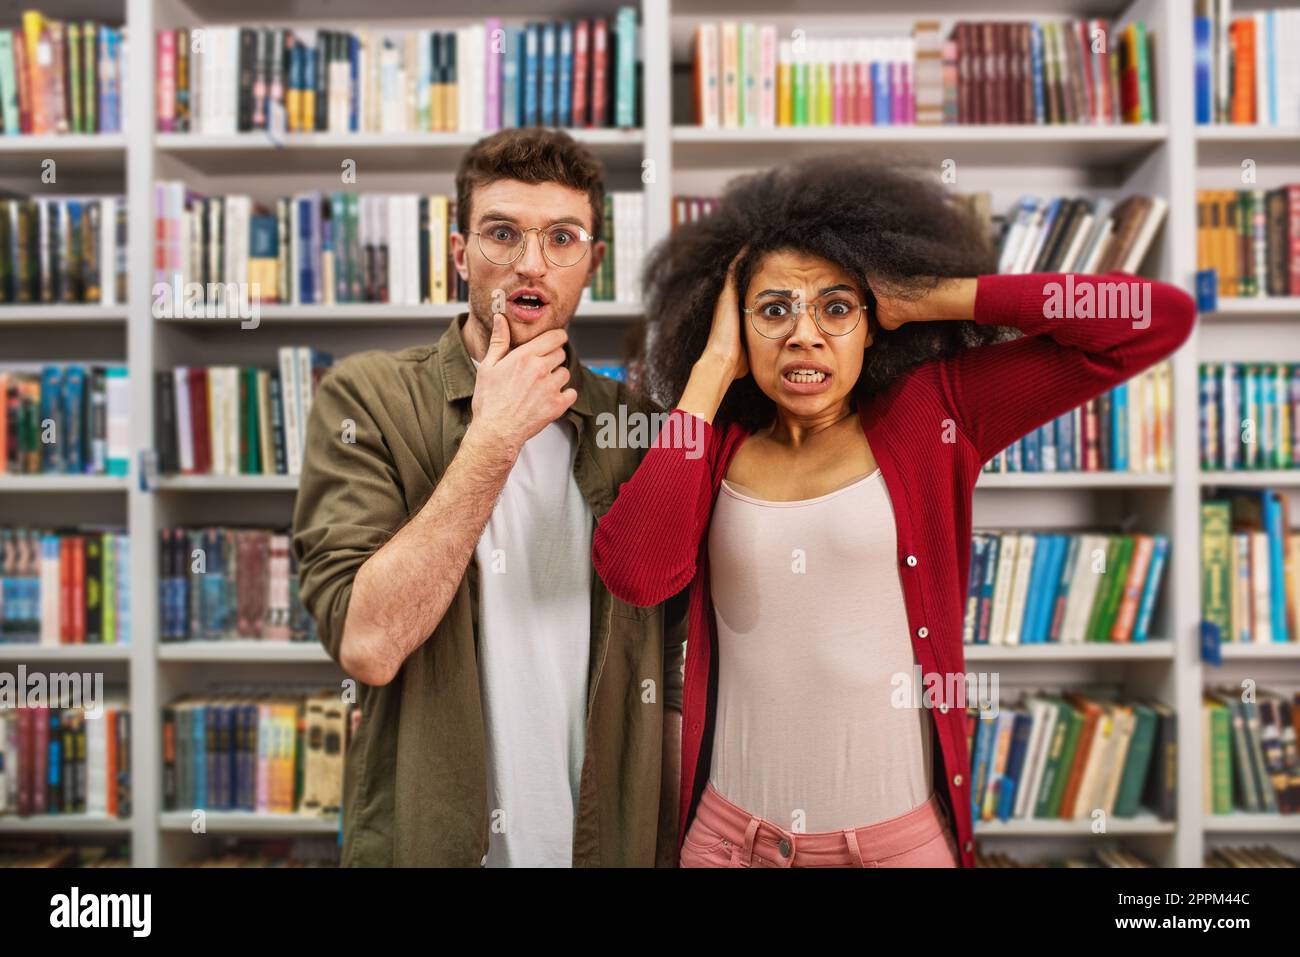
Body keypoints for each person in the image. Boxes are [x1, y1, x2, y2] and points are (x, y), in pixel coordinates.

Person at [592, 155, 1196, 868]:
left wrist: (936, 297)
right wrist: (710, 370)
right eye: (773, 309)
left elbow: (1152, 321)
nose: (804, 334)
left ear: (875, 322)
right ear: (733, 324)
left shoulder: (935, 414)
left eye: (837, 307)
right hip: (731, 843)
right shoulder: (713, 441)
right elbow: (634, 572)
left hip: (894, 847)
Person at [292, 128, 684, 867]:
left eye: (562, 237)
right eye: (502, 233)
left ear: (593, 262)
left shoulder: (640, 430)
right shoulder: (367, 398)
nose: (530, 263)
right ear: (459, 252)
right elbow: (368, 643)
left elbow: (673, 672)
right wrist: (492, 439)